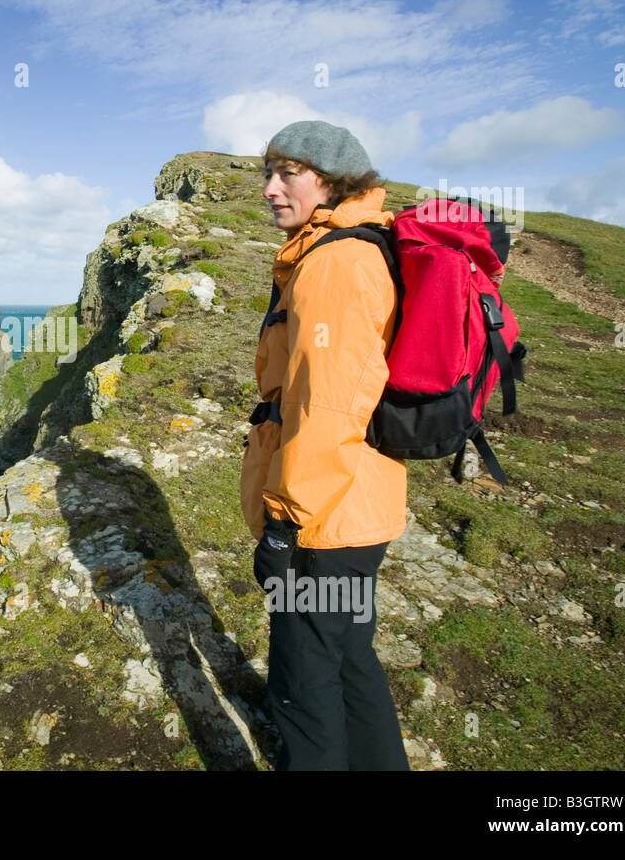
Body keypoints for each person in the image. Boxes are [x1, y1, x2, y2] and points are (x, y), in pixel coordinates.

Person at [239, 119, 410, 771]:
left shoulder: (335, 264)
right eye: (268, 173)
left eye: (288, 173)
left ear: (332, 181)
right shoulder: (350, 249)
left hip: (326, 520)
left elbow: (326, 409)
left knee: (303, 687)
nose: (269, 189)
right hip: (356, 502)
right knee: (349, 660)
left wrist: (284, 523)